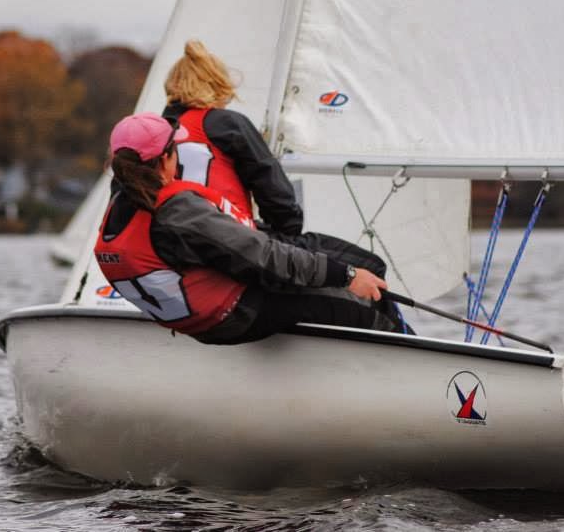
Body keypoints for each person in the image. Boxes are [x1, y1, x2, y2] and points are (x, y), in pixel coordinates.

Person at [161, 40, 413, 332]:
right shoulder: (227, 123)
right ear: (217, 85)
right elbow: (278, 199)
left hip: (185, 257)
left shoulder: (153, 135)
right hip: (239, 243)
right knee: (369, 267)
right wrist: (284, 236)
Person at [94, 112, 401, 345]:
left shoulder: (121, 204)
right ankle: (412, 379)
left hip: (211, 309)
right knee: (363, 305)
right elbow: (262, 258)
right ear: (165, 159)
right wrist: (344, 276)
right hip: (238, 314)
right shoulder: (175, 212)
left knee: (370, 267)